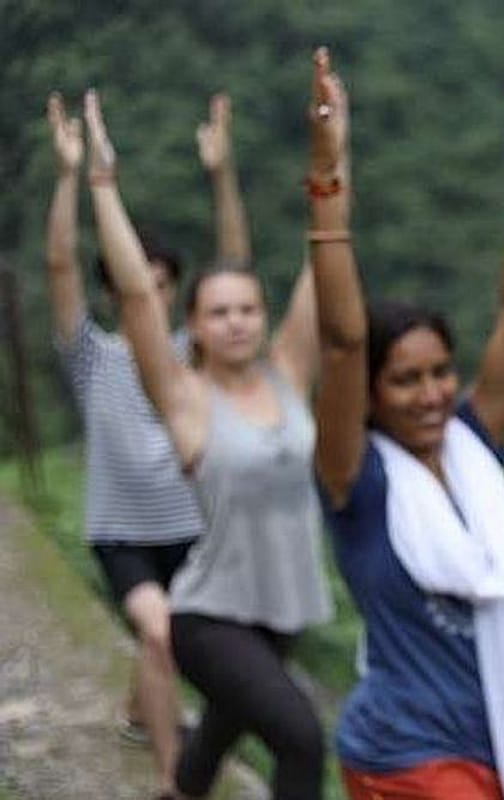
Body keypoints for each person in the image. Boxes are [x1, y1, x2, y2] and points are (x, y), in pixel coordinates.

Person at [305, 48, 504, 800]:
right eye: (405, 380)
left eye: (439, 373)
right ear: (368, 394)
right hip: (408, 755)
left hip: (498, 748)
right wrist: (326, 182)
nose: (430, 395)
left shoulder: (472, 448)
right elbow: (342, 340)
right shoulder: (354, 478)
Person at [82, 87, 332, 800]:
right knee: (301, 739)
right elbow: (135, 296)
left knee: (221, 729)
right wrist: (102, 185)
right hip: (209, 613)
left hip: (282, 609)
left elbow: (324, 266)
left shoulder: (288, 371)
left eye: (248, 308)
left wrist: (329, 166)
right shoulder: (187, 398)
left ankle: (179, 791)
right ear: (192, 324)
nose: (235, 322)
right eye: (217, 312)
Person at [45, 90, 249, 798]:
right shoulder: (92, 356)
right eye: (142, 285)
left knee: (184, 648)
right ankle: (173, 779)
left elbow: (235, 265)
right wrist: (73, 173)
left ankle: (142, 710)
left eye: (165, 287)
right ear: (119, 293)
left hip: (193, 531)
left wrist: (222, 174)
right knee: (160, 635)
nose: (152, 297)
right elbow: (62, 269)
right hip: (123, 534)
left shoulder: (197, 357)